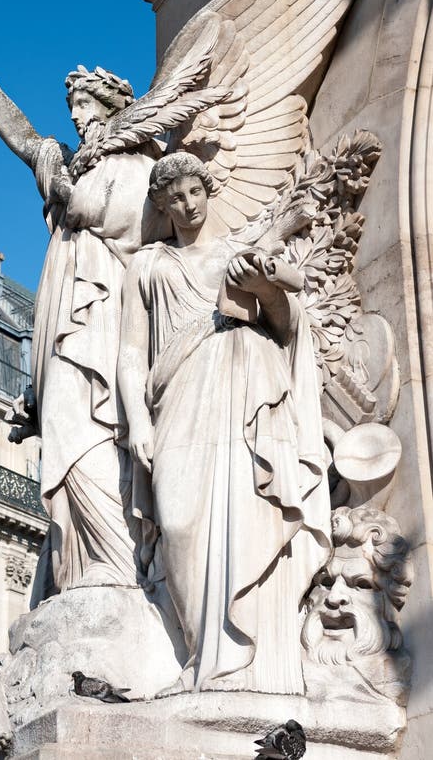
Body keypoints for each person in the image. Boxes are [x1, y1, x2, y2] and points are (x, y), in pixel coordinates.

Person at [0, 23, 171, 603]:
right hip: (62, 316)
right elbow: (26, 139)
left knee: (92, 426)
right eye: (72, 106)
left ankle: (117, 562)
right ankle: (77, 570)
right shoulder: (69, 163)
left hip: (103, 313)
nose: (77, 117)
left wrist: (82, 203)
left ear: (114, 106)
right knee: (67, 427)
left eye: (85, 104)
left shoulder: (137, 164)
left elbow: (138, 227)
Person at [118, 151, 331, 694]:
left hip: (246, 393)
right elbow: (129, 353)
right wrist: (137, 422)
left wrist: (264, 292)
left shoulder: (241, 250)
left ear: (207, 192)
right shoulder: (147, 264)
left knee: (247, 511)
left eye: (194, 193)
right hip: (176, 399)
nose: (187, 206)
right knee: (182, 522)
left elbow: (286, 325)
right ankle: (202, 655)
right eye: (174, 200)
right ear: (161, 207)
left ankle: (248, 661)